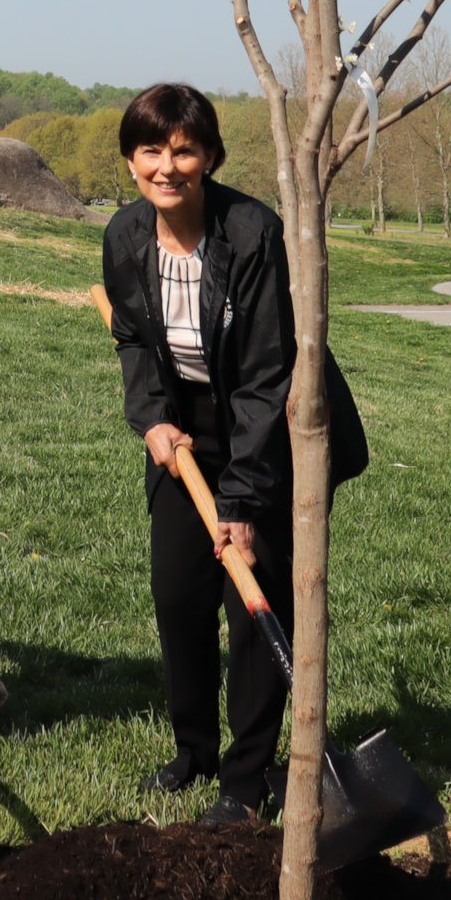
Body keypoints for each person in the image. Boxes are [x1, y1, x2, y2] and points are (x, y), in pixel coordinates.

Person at [100, 82, 368, 824]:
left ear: (210, 156)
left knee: (253, 611)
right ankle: (194, 751)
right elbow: (131, 337)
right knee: (178, 596)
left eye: (184, 149)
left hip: (268, 431)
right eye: (151, 149)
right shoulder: (125, 236)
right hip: (183, 437)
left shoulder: (252, 233)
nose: (167, 165)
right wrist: (150, 419)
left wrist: (244, 502)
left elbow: (263, 376)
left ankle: (245, 775)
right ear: (130, 161)